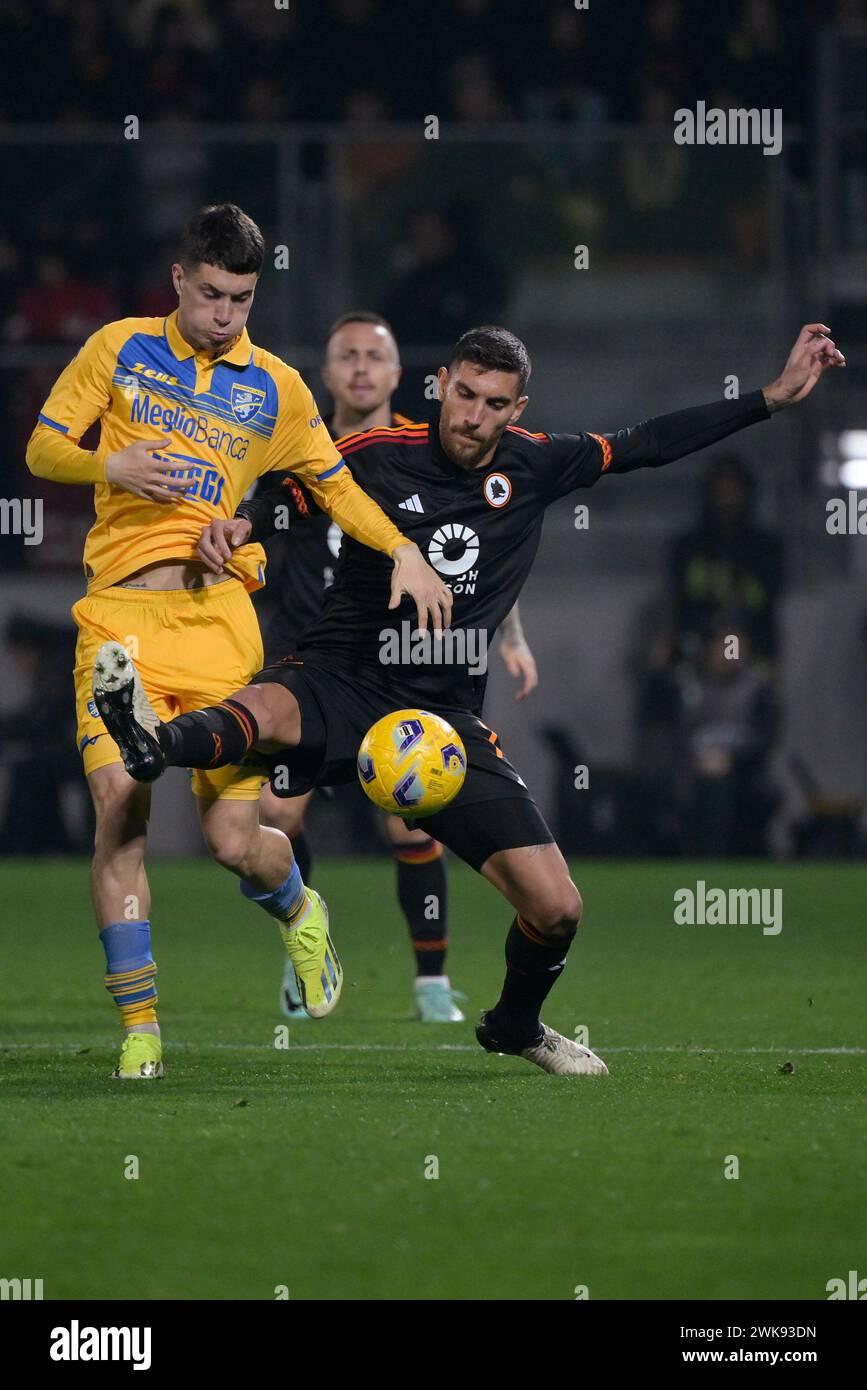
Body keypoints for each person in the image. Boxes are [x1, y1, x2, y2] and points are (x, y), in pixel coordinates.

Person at [92, 321, 844, 1078]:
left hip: (442, 720)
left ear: (516, 409)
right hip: (341, 674)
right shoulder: (379, 455)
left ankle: (515, 1023)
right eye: (463, 394)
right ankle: (152, 742)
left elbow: (647, 442)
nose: (472, 416)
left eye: (493, 403)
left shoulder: (536, 465)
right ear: (441, 385)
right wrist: (241, 521)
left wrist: (771, 399)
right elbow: (292, 486)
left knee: (558, 909)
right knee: (263, 708)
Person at [25, 202, 450, 1080]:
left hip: (220, 622)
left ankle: (300, 911)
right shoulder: (117, 349)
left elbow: (336, 489)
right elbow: (40, 447)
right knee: (122, 810)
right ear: (179, 280)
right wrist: (113, 464)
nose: (224, 316)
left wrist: (404, 549)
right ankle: (141, 1028)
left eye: (243, 300)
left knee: (231, 841)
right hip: (118, 620)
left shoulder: (281, 390)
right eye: (211, 294)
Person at [239, 310, 538, 1022]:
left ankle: (430, 980)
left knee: (412, 818)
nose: (362, 367)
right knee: (276, 813)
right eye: (348, 354)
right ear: (327, 371)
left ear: (403, 375)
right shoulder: (298, 454)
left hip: (397, 663)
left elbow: (479, 551)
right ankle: (303, 945)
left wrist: (510, 637)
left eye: (376, 355)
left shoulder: (421, 450)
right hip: (302, 654)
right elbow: (259, 531)